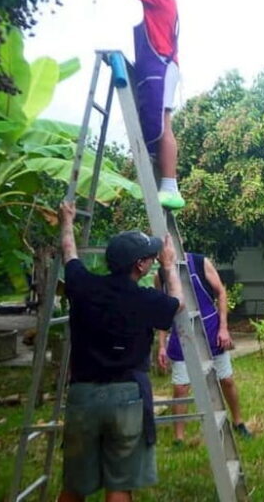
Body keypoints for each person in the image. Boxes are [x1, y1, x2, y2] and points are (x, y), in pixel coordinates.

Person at [57, 201, 183, 502]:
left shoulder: (83, 286)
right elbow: (177, 302)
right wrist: (168, 267)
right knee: (120, 486)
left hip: (83, 395)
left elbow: (69, 254)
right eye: (150, 257)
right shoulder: (145, 299)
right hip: (126, 396)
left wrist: (67, 221)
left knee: (74, 486)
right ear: (139, 265)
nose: (153, 260)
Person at [73, 0, 185, 210]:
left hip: (162, 63)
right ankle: (165, 178)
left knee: (164, 125)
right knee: (156, 125)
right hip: (156, 64)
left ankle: (170, 186)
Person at [156, 253, 251, 443]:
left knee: (226, 380)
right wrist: (161, 345)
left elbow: (221, 293)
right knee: (180, 387)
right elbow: (162, 311)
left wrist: (224, 328)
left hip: (210, 330)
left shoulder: (200, 263)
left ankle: (238, 422)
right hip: (181, 334)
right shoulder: (160, 275)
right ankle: (179, 437)